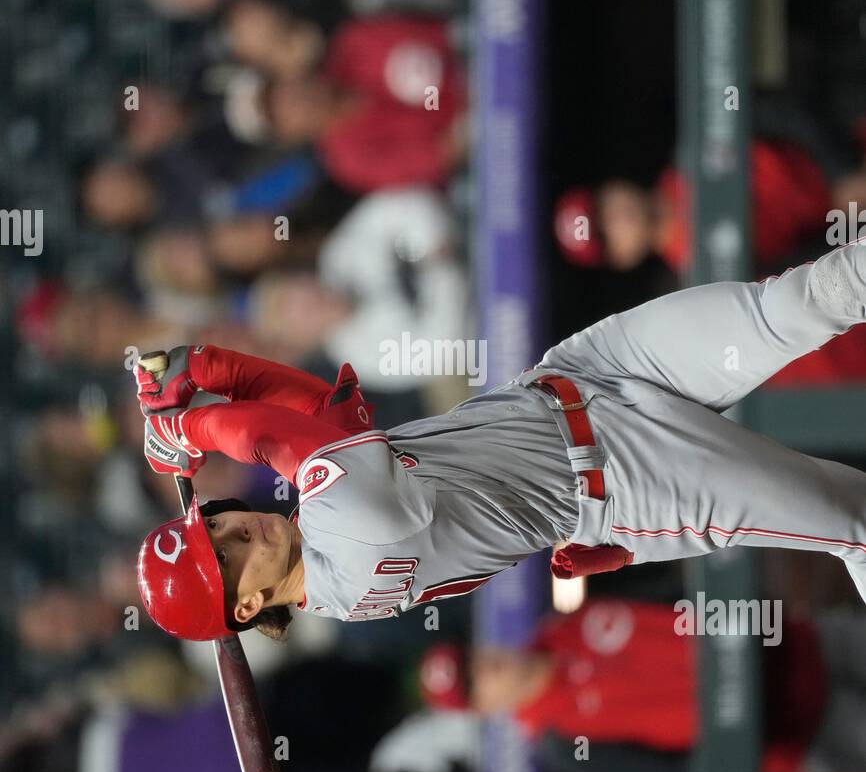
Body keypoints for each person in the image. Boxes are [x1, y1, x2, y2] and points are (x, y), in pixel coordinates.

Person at [137, 239, 866, 640]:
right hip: (630, 482)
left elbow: (316, 411)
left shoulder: (313, 517)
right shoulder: (350, 572)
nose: (237, 532)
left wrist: (206, 367)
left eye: (218, 524)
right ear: (247, 605)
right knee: (852, 521)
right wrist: (188, 425)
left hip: (585, 374)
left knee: (802, 300)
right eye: (227, 557)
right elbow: (272, 439)